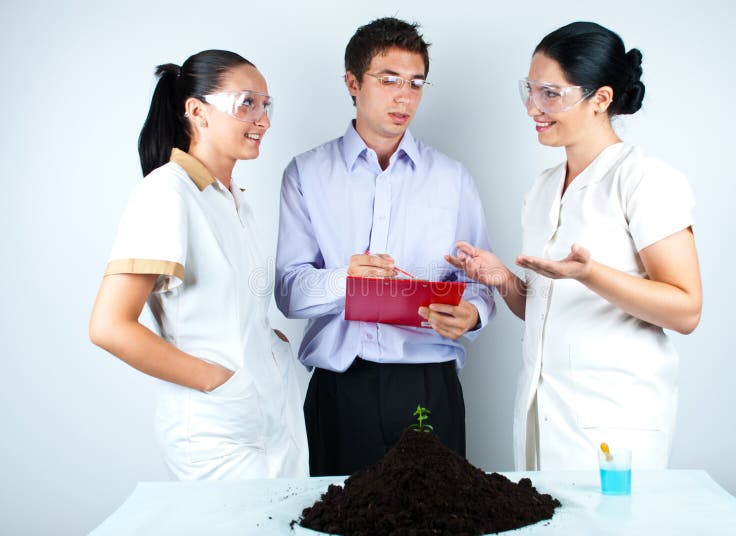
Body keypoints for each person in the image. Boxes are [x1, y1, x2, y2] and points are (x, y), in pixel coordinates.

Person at [447, 22, 702, 470]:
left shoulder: (645, 180)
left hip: (616, 417)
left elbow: (686, 310)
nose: (532, 108)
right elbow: (544, 310)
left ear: (600, 99)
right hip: (540, 412)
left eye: (551, 94)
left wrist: (591, 274)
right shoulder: (543, 189)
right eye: (529, 90)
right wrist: (503, 279)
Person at [275, 17, 496, 476]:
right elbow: (288, 292)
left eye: (416, 84)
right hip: (341, 387)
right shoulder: (306, 174)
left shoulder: (452, 179)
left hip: (428, 383)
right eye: (389, 80)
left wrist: (474, 312)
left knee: (440, 521)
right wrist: (344, 280)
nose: (404, 97)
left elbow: (482, 281)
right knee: (337, 520)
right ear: (353, 83)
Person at [89, 50, 308, 480]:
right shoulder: (166, 193)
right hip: (218, 431)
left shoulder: (233, 199)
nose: (262, 120)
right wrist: (219, 381)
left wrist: (270, 346)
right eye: (246, 103)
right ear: (197, 111)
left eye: (266, 105)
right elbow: (109, 326)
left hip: (274, 419)